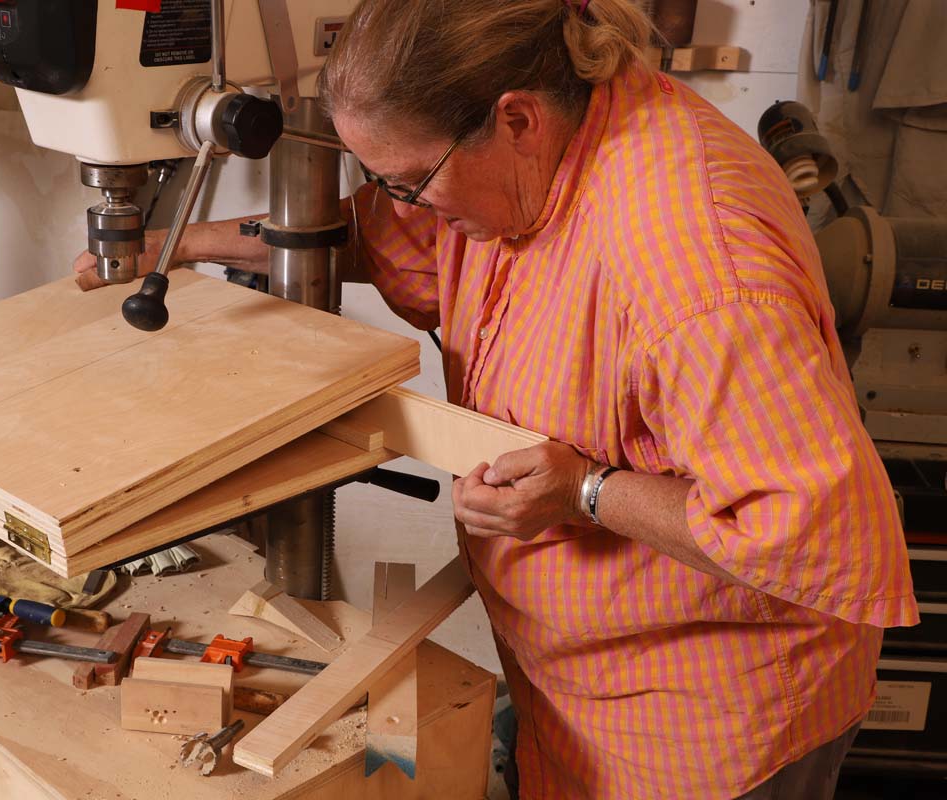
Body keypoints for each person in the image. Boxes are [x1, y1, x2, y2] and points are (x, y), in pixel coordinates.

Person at [74, 1, 919, 797]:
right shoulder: (540, 144)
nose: (404, 202)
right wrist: (170, 246)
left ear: (515, 118)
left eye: (409, 180)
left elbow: (809, 535)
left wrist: (587, 490)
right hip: (569, 676)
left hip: (701, 721)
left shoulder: (696, 268)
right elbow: (387, 233)